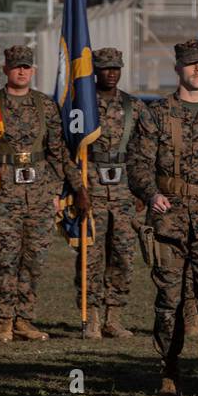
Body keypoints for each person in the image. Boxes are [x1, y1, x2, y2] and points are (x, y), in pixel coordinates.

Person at [127, 38, 198, 396]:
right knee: (169, 302)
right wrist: (150, 193)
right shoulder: (156, 114)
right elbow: (138, 163)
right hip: (171, 222)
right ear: (178, 69)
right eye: (192, 64)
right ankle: (169, 370)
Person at [0, 44, 87, 342]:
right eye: (16, 66)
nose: (21, 71)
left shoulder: (45, 105)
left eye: (26, 66)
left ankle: (24, 319)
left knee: (34, 260)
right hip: (4, 192)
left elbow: (57, 151)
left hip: (40, 194)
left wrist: (77, 187)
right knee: (6, 259)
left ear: (33, 70)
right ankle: (4, 320)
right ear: (5, 70)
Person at [77, 47, 139, 340]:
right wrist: (77, 187)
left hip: (124, 192)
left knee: (123, 255)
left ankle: (114, 317)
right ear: (95, 71)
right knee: (90, 256)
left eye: (116, 68)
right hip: (92, 189)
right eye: (105, 68)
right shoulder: (81, 106)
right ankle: (91, 317)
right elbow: (68, 148)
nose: (111, 73)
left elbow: (144, 151)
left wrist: (142, 188)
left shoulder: (133, 107)